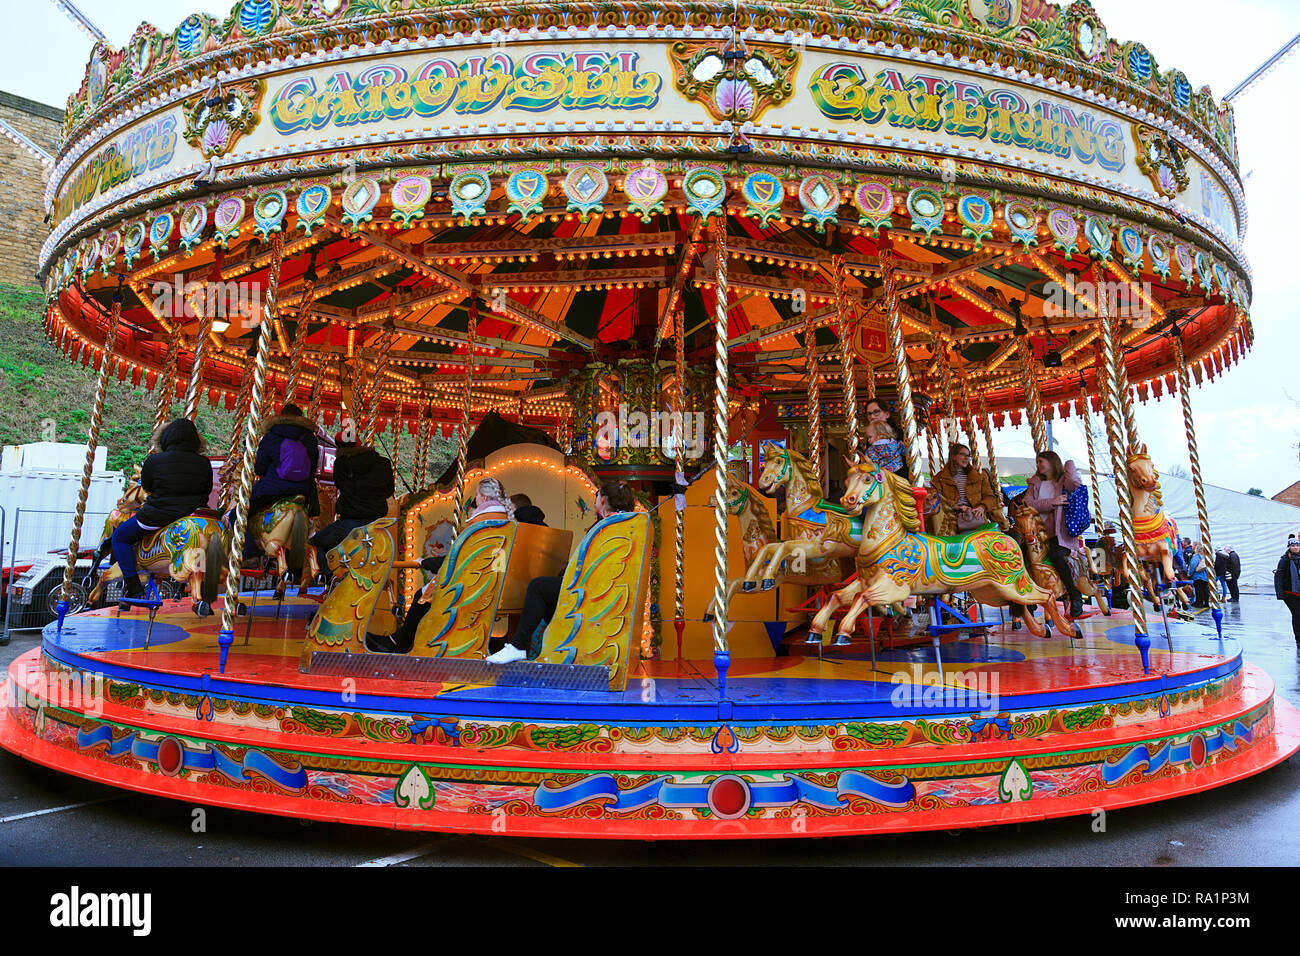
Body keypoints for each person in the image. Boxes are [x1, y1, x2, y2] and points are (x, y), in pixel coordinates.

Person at [485, 480, 636, 664]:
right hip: (603, 589)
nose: (595, 501)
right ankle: (561, 644)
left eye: (597, 497)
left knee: (538, 587)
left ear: (603, 500)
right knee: (550, 595)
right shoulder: (621, 524)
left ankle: (518, 646)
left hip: (593, 591)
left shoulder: (606, 526)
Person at [366, 475, 514, 653]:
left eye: (477, 495)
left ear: (486, 497)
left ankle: (400, 646)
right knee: (426, 592)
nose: (476, 500)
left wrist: (426, 562)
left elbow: (455, 560)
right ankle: (398, 640)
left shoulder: (480, 524)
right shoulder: (505, 522)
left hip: (472, 585)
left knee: (422, 595)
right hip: (490, 580)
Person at [110, 419, 213, 602]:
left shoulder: (154, 461)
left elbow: (147, 487)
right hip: (193, 515)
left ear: (166, 438)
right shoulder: (204, 463)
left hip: (158, 515)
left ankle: (133, 587)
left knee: (120, 537)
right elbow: (207, 489)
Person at [308, 432, 394, 576]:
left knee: (315, 544)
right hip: (377, 523)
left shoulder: (342, 463)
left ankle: (330, 578)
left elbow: (340, 485)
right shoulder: (383, 463)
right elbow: (389, 491)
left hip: (351, 523)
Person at [245, 403, 320, 559]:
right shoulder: (310, 439)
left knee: (239, 514)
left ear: (281, 416)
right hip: (303, 492)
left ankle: (250, 554)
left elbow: (259, 468)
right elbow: (312, 468)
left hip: (273, 490)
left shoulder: (272, 436)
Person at [1025, 449, 1085, 618]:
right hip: (1038, 533)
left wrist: (1069, 464)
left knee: (1057, 556)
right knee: (1020, 555)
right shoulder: (1035, 482)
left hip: (1059, 535)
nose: (1038, 465)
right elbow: (1029, 504)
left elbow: (1075, 483)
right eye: (1037, 462)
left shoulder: (1064, 481)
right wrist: (1053, 502)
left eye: (1041, 461)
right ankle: (1026, 597)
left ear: (1051, 462)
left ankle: (1075, 595)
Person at [931, 443, 1005, 536]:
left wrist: (982, 507)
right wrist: (955, 506)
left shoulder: (979, 476)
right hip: (952, 517)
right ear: (953, 456)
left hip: (975, 516)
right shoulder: (940, 478)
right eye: (963, 454)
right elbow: (937, 499)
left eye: (968, 455)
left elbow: (990, 497)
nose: (967, 458)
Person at [864, 398, 910, 482]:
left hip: (899, 477)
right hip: (879, 479)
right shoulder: (870, 437)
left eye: (876, 412)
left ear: (887, 414)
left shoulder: (899, 433)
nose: (872, 417)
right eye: (869, 414)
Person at [1274, 537, 1300, 643]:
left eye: (1297, 545)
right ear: (1289, 547)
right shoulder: (1285, 560)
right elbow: (1278, 577)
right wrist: (1280, 594)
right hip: (1290, 592)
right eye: (1293, 546)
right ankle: (1298, 638)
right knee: (1297, 614)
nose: (1296, 547)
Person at [1187, 542, 1210, 608]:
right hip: (1205, 576)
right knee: (1205, 590)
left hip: (1198, 576)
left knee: (1198, 590)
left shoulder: (1196, 557)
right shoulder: (1204, 557)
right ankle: (1206, 603)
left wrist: (1189, 573)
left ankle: (1199, 603)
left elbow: (1193, 566)